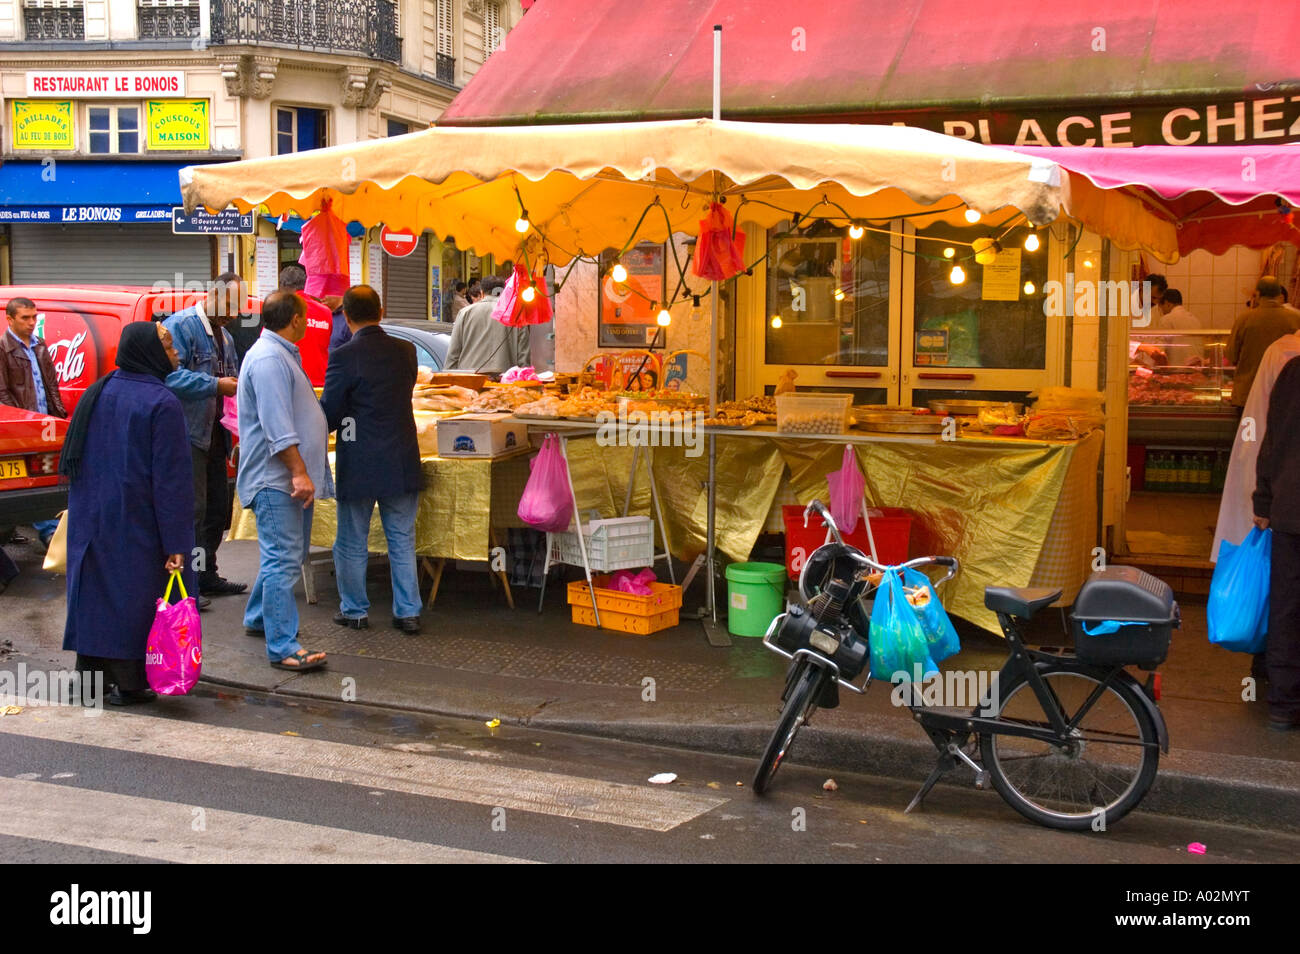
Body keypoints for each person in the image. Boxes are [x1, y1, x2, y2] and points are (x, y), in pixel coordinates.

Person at [60, 322, 193, 706]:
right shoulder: (162, 403)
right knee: (135, 600)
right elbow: (172, 482)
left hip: (93, 517)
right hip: (138, 522)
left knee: (98, 598)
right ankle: (132, 682)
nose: (176, 354)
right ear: (149, 352)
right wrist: (177, 543)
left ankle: (90, 681)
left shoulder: (99, 390)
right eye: (169, 347)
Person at [236, 290, 333, 672]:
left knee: (283, 556)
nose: (308, 322)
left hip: (282, 478)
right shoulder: (270, 359)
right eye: (305, 317)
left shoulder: (278, 354)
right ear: (295, 319)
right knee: (284, 560)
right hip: (277, 480)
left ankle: (259, 617)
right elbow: (277, 426)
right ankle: (283, 646)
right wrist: (298, 471)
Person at [320, 286, 424, 635]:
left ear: (345, 316)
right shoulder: (406, 351)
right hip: (401, 456)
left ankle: (355, 611)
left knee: (351, 540)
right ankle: (408, 612)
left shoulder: (344, 355)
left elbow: (331, 412)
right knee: (401, 538)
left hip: (360, 457)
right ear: (382, 311)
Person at [162, 274, 243, 605]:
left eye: (238, 308)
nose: (234, 314)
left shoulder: (225, 336)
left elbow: (235, 383)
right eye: (230, 305)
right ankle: (185, 587)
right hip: (188, 433)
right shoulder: (180, 326)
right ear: (212, 294)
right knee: (192, 509)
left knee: (216, 508)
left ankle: (206, 574)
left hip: (216, 434)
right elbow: (170, 376)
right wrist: (216, 385)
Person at [1253, 354, 1300, 730]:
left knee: (1286, 606)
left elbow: (1273, 438)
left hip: (1290, 508)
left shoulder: (1294, 370)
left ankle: (1283, 702)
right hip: (1290, 507)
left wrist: (1264, 498)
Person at [0, 296, 67, 547]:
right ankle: (48, 531)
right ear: (10, 319)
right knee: (27, 477)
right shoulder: (3, 348)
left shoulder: (39, 344)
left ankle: (39, 527)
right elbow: (3, 392)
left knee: (44, 477)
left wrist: (57, 413)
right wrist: (18, 424)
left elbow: (50, 384)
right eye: (25, 318)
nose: (31, 323)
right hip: (23, 425)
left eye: (34, 317)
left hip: (45, 420)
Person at [1227, 276, 1300, 407]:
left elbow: (1231, 355)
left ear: (1258, 294)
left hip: (1248, 392)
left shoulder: (1244, 319)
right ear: (1279, 295)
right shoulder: (1296, 318)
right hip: (1286, 393)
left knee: (1251, 428)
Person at [444, 275, 531, 374]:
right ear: (503, 292)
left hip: (470, 379)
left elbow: (453, 353)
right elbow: (523, 357)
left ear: (481, 292)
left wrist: (449, 377)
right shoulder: (516, 314)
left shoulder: (465, 313)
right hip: (504, 381)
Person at [276, 264, 335, 385]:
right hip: (322, 383)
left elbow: (267, 343)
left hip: (294, 384)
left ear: (282, 286)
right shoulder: (326, 312)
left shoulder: (282, 309)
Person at [1155, 289, 1202, 365]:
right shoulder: (1194, 319)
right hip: (1196, 369)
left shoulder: (1167, 319)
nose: (1162, 312)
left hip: (1177, 370)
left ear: (1167, 304)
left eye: (1161, 308)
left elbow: (1160, 349)